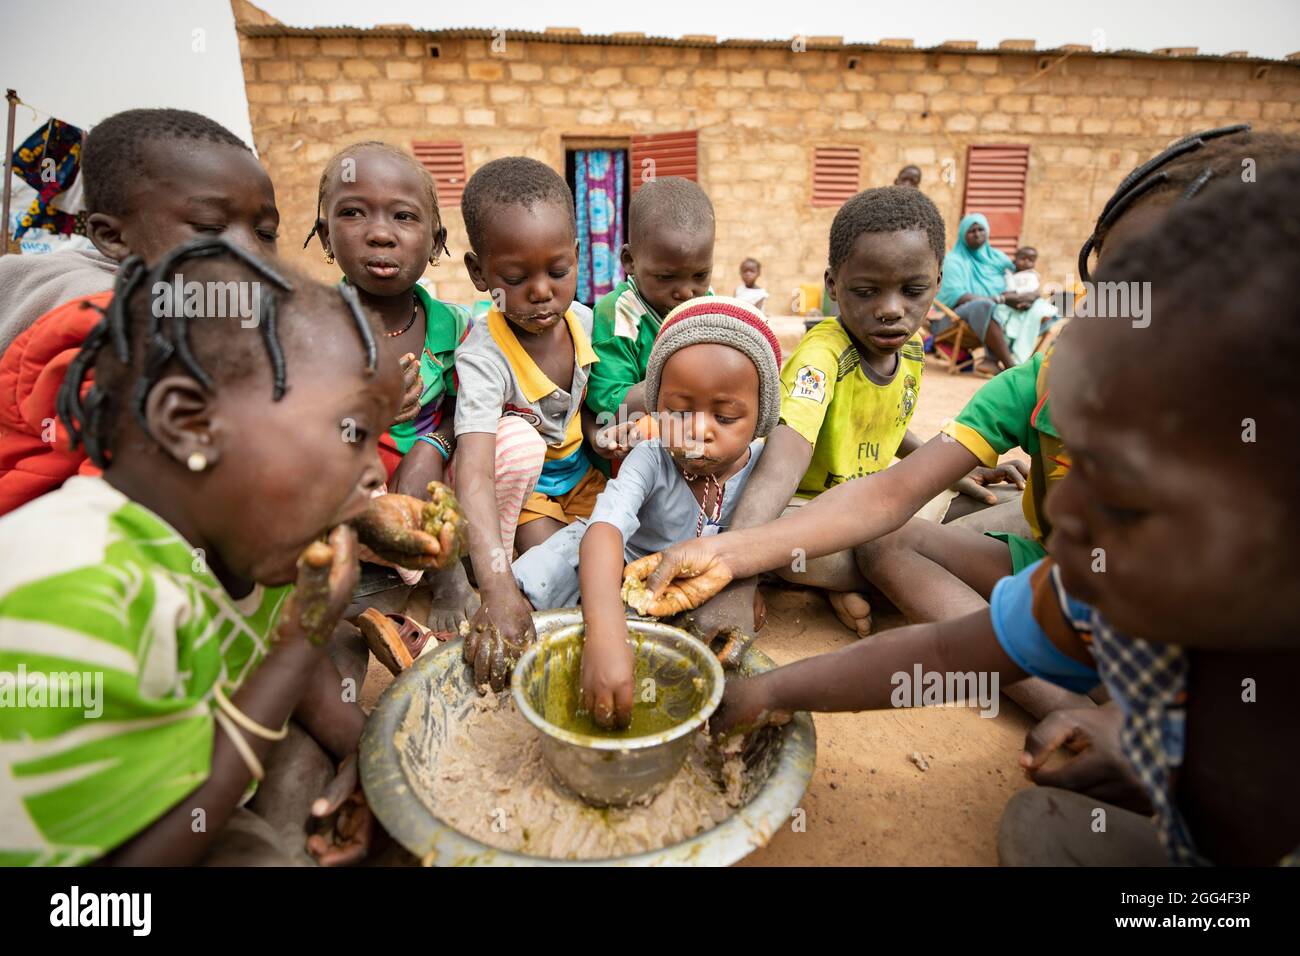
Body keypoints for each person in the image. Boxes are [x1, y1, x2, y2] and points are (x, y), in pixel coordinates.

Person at [697, 166, 1300, 865]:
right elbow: (944, 651)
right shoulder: (1086, 579)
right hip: (842, 514)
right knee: (1036, 827)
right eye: (1071, 457)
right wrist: (765, 687)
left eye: (1121, 482)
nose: (1062, 500)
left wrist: (1156, 745)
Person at [0, 239, 457, 865]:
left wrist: (381, 773)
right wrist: (293, 652)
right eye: (350, 434)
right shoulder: (75, 598)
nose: (375, 475)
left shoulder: (251, 542)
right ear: (189, 423)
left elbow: (309, 693)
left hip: (187, 787)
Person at [511, 298, 781, 725]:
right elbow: (605, 530)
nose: (696, 431)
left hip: (675, 590)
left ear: (760, 418)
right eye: (677, 412)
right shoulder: (652, 456)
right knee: (535, 586)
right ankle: (445, 644)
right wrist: (605, 632)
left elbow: (769, 538)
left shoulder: (766, 471)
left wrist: (748, 583)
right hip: (612, 560)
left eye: (725, 416)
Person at [0, 109, 281, 516]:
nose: (252, 253)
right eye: (207, 226)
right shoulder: (116, 333)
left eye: (266, 233)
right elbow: (146, 504)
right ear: (113, 238)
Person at [305, 141, 528, 636]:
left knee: (517, 440)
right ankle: (416, 573)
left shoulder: (456, 325)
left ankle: (476, 560)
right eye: (354, 214)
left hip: (436, 478)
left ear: (435, 241)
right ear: (324, 235)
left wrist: (434, 442)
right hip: (359, 481)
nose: (380, 234)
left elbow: (472, 404)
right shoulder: (313, 328)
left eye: (404, 217)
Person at [453, 157, 604, 691]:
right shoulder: (484, 353)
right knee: (554, 575)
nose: (541, 291)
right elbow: (473, 471)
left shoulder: (587, 323)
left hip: (586, 480)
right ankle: (489, 565)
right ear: (479, 274)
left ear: (578, 260)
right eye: (515, 279)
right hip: (529, 493)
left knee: (607, 560)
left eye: (558, 272)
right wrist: (496, 588)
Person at [585, 176, 715, 470]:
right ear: (629, 260)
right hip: (629, 462)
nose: (686, 292)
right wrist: (683, 383)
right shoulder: (618, 314)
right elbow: (610, 405)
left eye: (700, 276)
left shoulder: (708, 305)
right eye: (666, 277)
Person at [929, 213, 1030, 375]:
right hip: (954, 319)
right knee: (983, 305)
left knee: (1043, 309)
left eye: (981, 229)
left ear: (987, 231)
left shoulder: (999, 258)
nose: (977, 234)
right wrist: (1002, 299)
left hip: (998, 316)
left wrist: (1028, 297)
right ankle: (1011, 367)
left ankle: (993, 360)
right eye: (972, 231)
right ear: (962, 235)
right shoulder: (953, 261)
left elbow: (1020, 279)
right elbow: (959, 297)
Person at [991, 246, 1058, 366]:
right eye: (1023, 258)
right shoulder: (1008, 274)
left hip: (1026, 304)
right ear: (1015, 258)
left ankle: (1016, 358)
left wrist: (1013, 295)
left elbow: (1031, 290)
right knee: (1001, 316)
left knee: (1034, 314)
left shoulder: (1031, 276)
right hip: (1011, 306)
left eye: (1031, 260)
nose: (1026, 262)